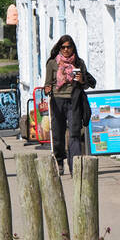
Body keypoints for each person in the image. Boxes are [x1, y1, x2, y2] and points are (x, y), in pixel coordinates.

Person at [43, 34, 97, 174]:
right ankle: (59, 161)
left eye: (69, 47)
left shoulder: (79, 63)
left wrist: (81, 80)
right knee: (58, 133)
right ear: (59, 48)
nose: (66, 50)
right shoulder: (52, 63)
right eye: (63, 47)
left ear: (73, 47)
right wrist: (47, 89)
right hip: (57, 100)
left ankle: (76, 166)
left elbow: (86, 85)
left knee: (74, 133)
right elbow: (47, 84)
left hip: (74, 101)